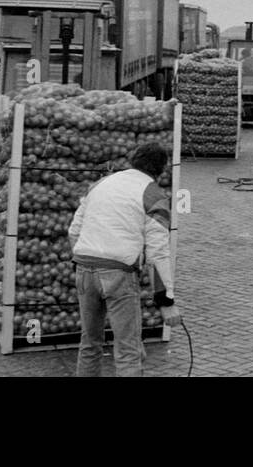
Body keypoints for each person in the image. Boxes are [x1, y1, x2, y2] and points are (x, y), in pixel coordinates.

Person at [68, 144, 178, 377]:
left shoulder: (100, 184)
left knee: (89, 343)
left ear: (132, 161)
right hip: (118, 273)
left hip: (84, 269)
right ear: (161, 170)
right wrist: (166, 302)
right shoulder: (155, 195)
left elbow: (73, 232)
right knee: (128, 350)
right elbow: (158, 253)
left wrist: (84, 262)